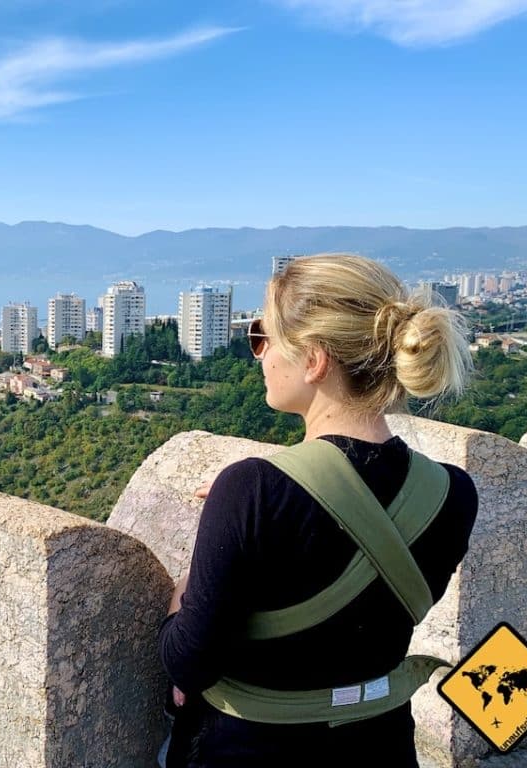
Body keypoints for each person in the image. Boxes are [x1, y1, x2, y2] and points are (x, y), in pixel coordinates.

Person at [158, 254, 478, 768]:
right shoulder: (455, 494)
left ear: (314, 359)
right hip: (382, 749)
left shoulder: (253, 492)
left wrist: (191, 577)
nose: (258, 354)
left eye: (261, 335)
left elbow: (187, 661)